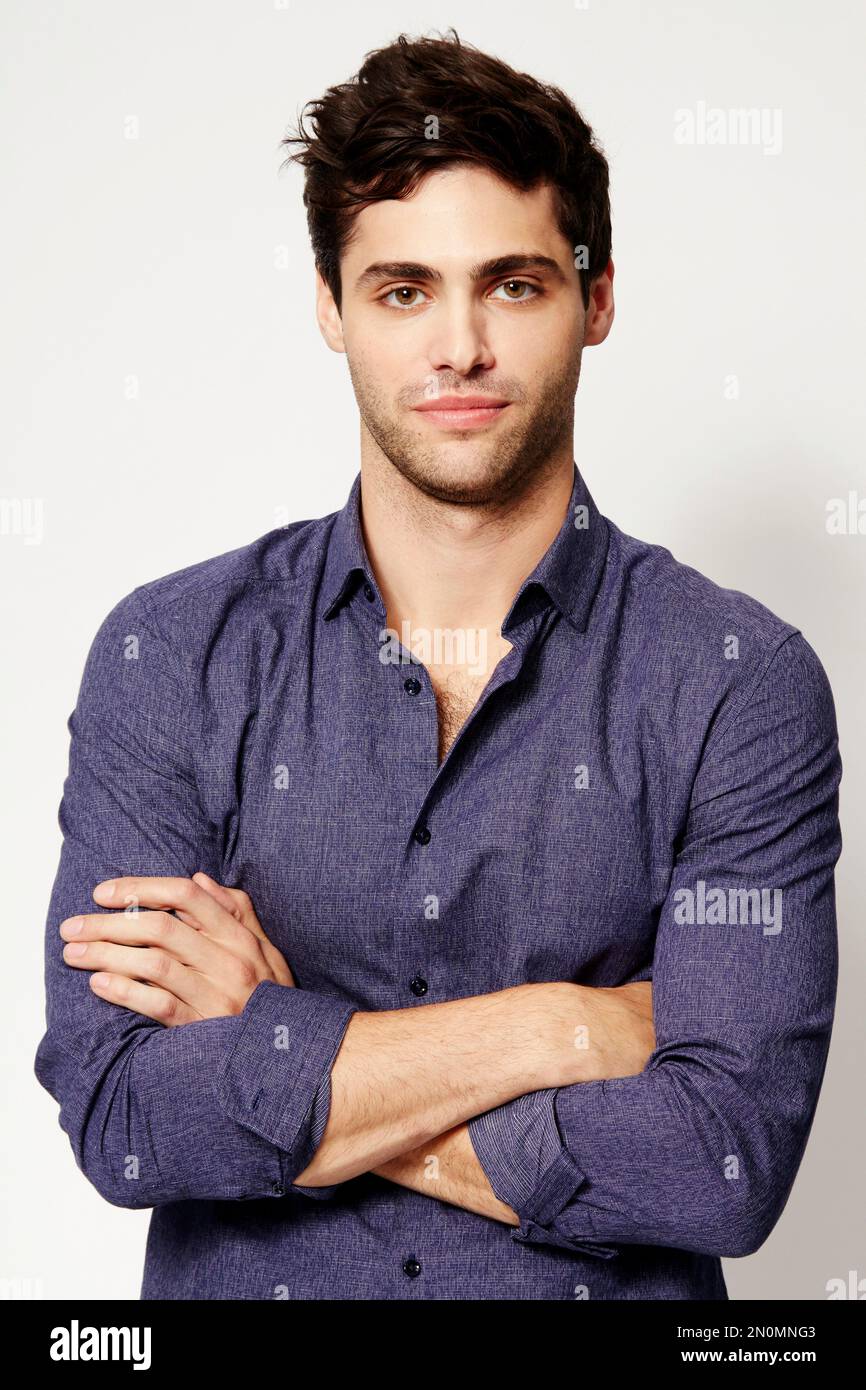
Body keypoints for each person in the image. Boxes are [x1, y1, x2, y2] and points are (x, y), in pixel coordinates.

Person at [35, 29, 842, 1301]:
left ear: (597, 295)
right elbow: (126, 1113)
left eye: (511, 285)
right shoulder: (172, 655)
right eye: (403, 290)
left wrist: (278, 1044)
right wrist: (565, 1027)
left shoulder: (737, 682)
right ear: (329, 306)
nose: (457, 347)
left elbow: (719, 1166)